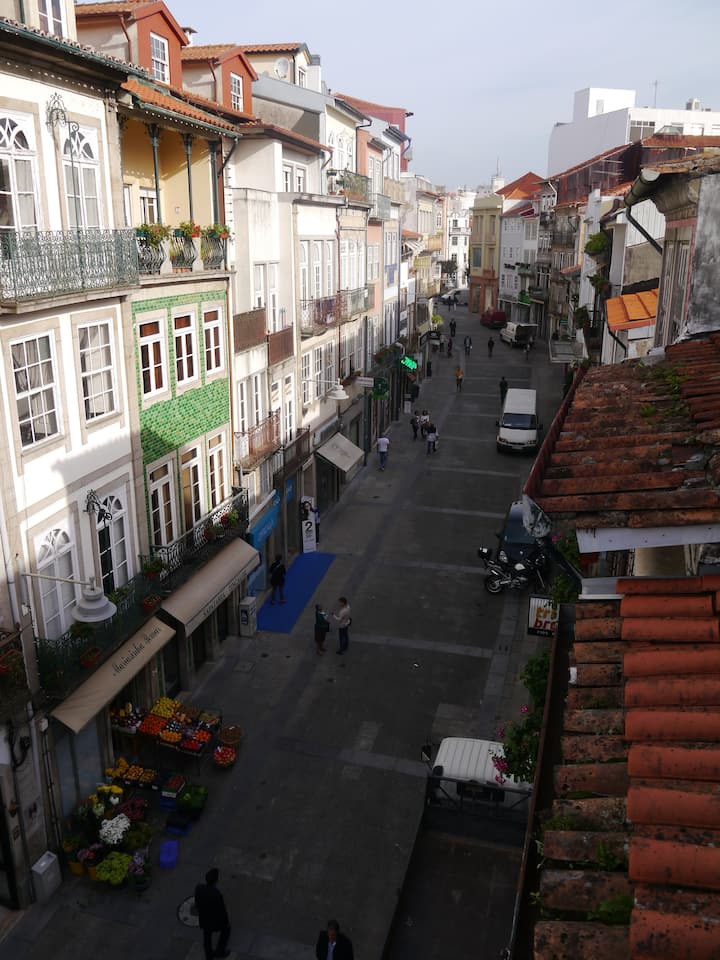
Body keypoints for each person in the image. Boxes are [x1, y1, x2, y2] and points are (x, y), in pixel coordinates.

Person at [195, 868, 231, 960]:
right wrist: (225, 922)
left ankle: (209, 956)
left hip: (204, 919)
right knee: (226, 930)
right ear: (216, 881)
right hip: (214, 922)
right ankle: (220, 951)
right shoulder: (217, 895)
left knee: (207, 937)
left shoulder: (199, 888)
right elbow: (222, 912)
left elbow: (197, 903)